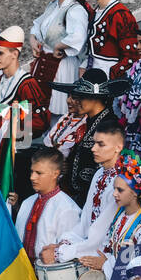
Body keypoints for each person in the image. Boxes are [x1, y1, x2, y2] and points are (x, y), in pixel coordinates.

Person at [56, 152, 141, 280]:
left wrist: (104, 264)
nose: (114, 194)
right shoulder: (120, 217)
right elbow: (110, 250)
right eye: (114, 188)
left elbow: (137, 272)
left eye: (120, 190)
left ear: (135, 193)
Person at [45, 124, 123, 265]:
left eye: (101, 144)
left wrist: (61, 253)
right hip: (87, 246)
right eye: (94, 143)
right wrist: (64, 243)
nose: (93, 149)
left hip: (105, 255)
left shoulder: (121, 182)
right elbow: (85, 221)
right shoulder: (99, 173)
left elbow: (101, 232)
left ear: (118, 147)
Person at [50, 68, 128, 206]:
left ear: (95, 98)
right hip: (77, 195)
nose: (77, 101)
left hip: (95, 196)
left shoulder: (110, 125)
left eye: (82, 96)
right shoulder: (87, 121)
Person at [0, 26, 50, 197]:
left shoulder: (26, 84)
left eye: (0, 53)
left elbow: (38, 123)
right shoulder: (0, 80)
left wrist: (14, 126)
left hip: (16, 156)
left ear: (14, 54)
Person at [28, 0, 91, 118]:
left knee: (60, 110)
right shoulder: (53, 6)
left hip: (63, 67)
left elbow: (78, 37)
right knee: (41, 108)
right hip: (45, 63)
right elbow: (37, 26)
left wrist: (59, 46)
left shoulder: (75, 10)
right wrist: (33, 40)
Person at [9, 148, 79, 280]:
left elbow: (70, 255)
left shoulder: (67, 209)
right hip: (21, 279)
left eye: (39, 173)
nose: (32, 177)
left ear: (55, 174)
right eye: (32, 172)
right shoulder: (27, 203)